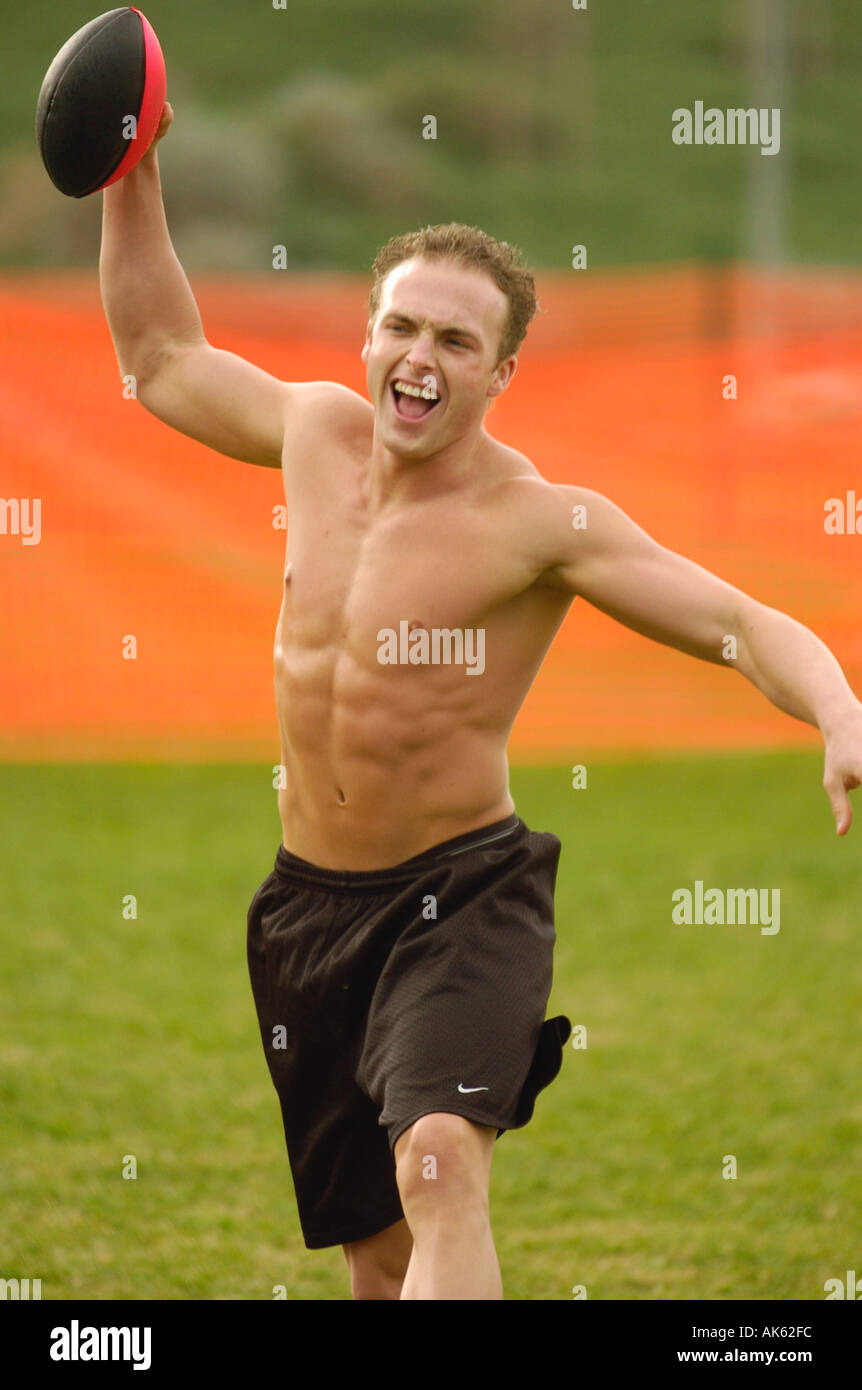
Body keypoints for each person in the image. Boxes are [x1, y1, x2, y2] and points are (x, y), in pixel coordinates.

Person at [99, 104, 862, 1300]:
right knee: (378, 1252)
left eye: (455, 341)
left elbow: (737, 624)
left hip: (461, 897)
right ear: (365, 337)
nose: (418, 357)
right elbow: (158, 360)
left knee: (443, 1164)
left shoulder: (539, 524)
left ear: (501, 371)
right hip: (306, 907)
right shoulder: (310, 431)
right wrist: (129, 170)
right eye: (399, 326)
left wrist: (836, 706)